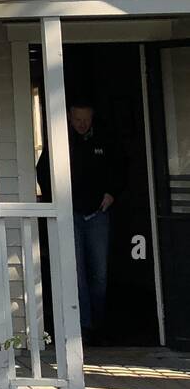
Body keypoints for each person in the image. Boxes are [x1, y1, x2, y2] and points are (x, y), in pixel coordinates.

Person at [37, 98, 126, 342]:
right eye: (77, 119)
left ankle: (100, 323)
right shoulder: (60, 141)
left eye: (86, 119)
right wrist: (54, 202)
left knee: (99, 273)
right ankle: (84, 326)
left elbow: (120, 168)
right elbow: (43, 171)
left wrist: (112, 193)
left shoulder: (105, 139)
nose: (82, 124)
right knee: (76, 272)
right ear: (69, 117)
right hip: (70, 215)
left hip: (98, 213)